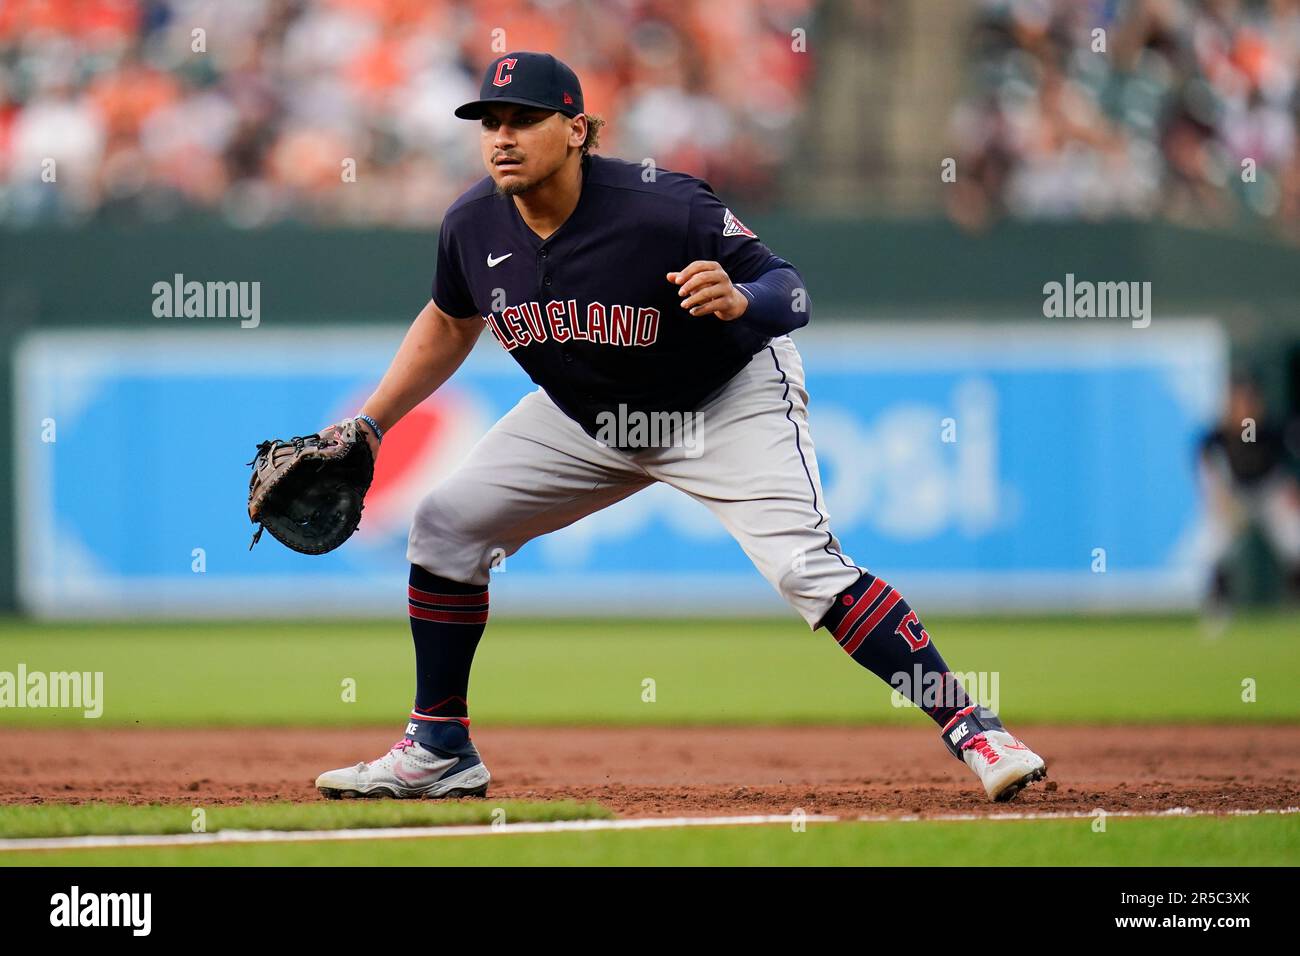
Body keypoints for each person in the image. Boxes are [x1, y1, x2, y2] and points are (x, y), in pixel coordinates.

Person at [314, 52, 1047, 804]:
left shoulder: (660, 206)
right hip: (589, 418)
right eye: (490, 122)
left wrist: (740, 298)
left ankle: (973, 725)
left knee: (804, 568)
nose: (502, 136)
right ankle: (438, 748)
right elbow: (448, 320)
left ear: (576, 129)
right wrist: (373, 423)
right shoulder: (471, 224)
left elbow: (789, 289)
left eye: (524, 119)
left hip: (722, 402)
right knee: (443, 526)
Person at [1198, 374, 1300, 609]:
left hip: (1268, 490)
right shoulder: (1216, 437)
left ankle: (1296, 604)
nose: (1243, 409)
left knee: (1294, 540)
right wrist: (1217, 495)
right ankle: (1218, 609)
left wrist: (1291, 490)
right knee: (1212, 548)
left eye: (1248, 402)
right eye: (1238, 403)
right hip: (1235, 494)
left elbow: (1287, 467)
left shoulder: (1271, 431)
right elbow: (1208, 468)